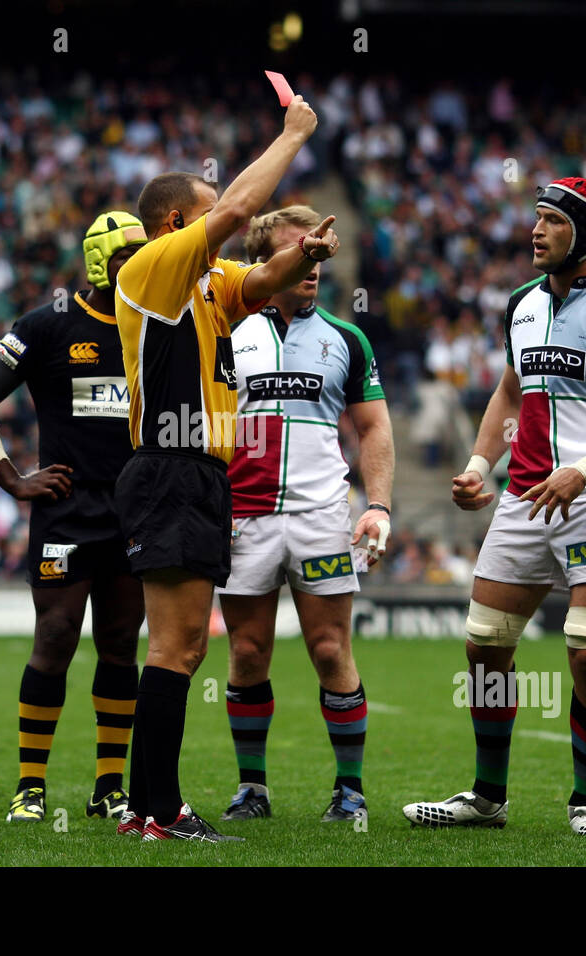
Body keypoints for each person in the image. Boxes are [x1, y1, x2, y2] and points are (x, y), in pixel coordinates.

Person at [403, 178, 586, 838]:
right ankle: (488, 797)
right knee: (485, 647)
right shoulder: (521, 305)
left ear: (584, 234)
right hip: (526, 499)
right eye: (534, 219)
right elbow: (509, 391)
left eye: (551, 221)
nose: (534, 231)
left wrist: (583, 471)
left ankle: (585, 802)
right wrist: (479, 466)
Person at [112, 92, 340, 842]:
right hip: (172, 468)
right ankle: (158, 810)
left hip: (198, 474)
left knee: (183, 646)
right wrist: (294, 134)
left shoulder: (207, 284)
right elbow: (243, 206)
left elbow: (263, 282)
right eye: (207, 216)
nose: (222, 226)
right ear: (178, 224)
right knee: (175, 647)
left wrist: (301, 255)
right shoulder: (155, 268)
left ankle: (148, 807)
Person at [0, 212, 149, 823]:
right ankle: (30, 787)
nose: (137, 266)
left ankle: (109, 788)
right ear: (97, 262)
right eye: (125, 257)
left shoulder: (159, 324)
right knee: (56, 637)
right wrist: (12, 479)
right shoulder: (47, 325)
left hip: (136, 510)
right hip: (67, 512)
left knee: (119, 645)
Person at [216, 205, 394, 824]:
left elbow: (372, 428)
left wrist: (377, 505)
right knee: (246, 652)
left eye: (321, 249)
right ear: (268, 261)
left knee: (328, 649)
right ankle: (253, 789)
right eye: (303, 248)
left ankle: (350, 792)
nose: (316, 259)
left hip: (321, 515)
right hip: (244, 515)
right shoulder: (226, 331)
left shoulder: (348, 338)